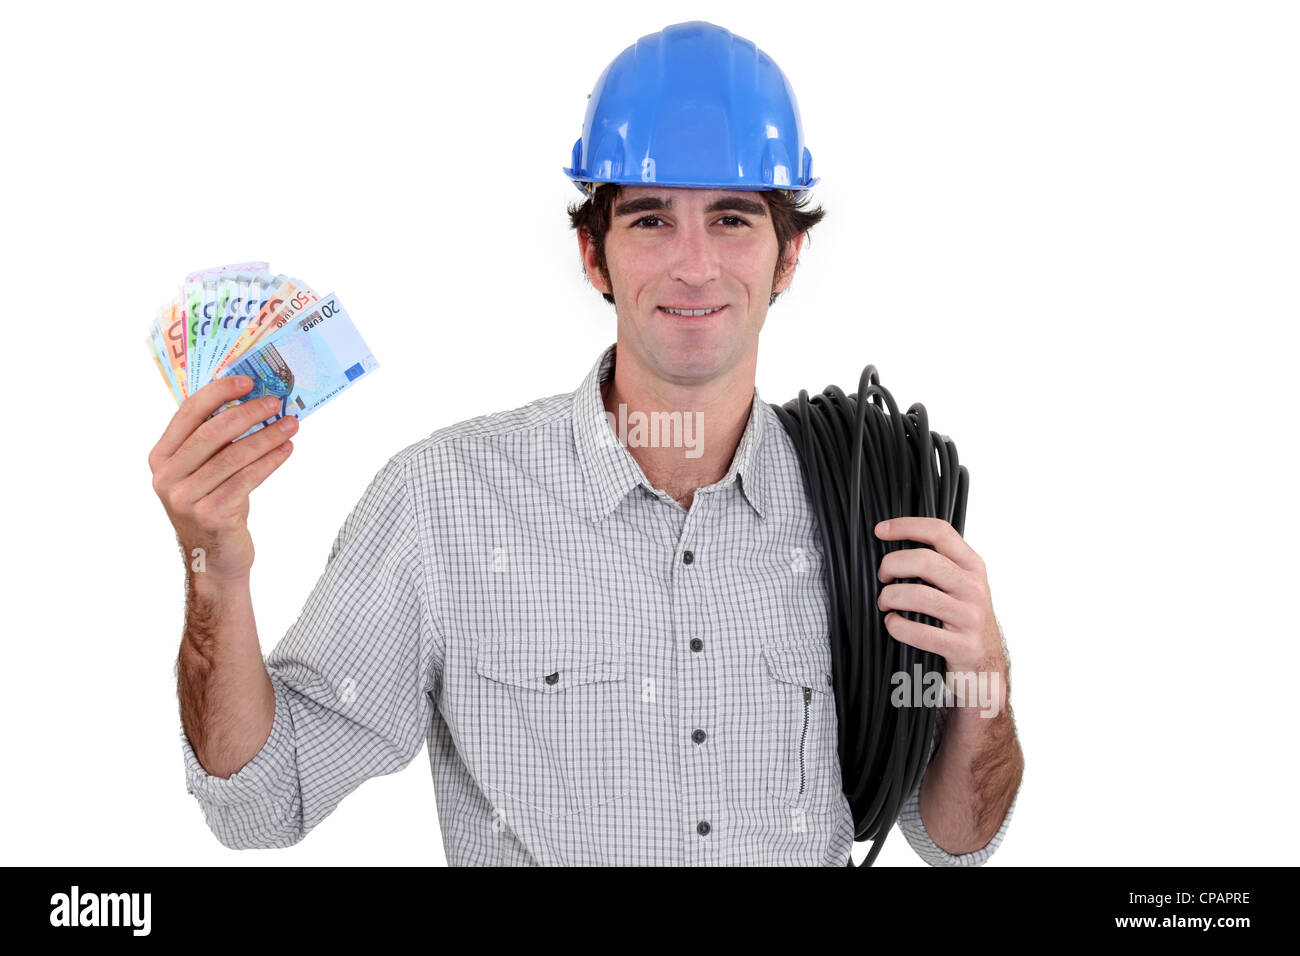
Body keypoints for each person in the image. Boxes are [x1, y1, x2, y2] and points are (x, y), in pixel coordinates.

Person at [149, 20, 1023, 866]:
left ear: (786, 257)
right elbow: (263, 802)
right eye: (649, 220)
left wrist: (983, 675)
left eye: (731, 219)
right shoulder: (446, 502)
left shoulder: (871, 508)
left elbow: (956, 840)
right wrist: (212, 569)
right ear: (593, 255)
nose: (693, 264)